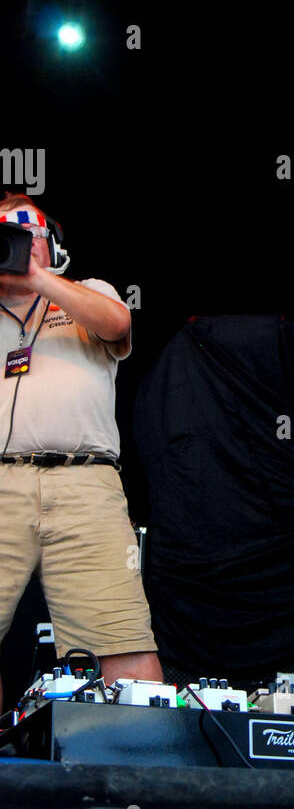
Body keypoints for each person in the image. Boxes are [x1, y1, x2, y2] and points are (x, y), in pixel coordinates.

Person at [0, 194, 163, 710]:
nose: (19, 246)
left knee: (121, 645)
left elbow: (117, 324)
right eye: (6, 236)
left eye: (30, 236)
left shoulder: (86, 292)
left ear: (52, 244)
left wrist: (38, 280)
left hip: (85, 482)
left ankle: (135, 776)